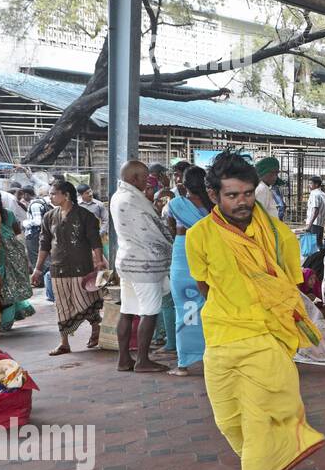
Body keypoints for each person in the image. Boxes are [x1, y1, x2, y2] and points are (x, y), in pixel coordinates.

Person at [185, 152, 325, 470]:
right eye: (232, 195)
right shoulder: (198, 238)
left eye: (247, 193)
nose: (242, 202)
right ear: (214, 195)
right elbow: (205, 288)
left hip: (266, 338)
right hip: (222, 339)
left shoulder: (278, 234)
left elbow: (288, 285)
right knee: (231, 423)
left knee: (264, 421)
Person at [110, 160, 173, 374]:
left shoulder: (120, 195)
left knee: (127, 310)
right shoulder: (131, 200)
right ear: (134, 178)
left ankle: (124, 359)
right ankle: (143, 360)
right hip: (143, 263)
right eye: (145, 178)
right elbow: (152, 231)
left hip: (127, 260)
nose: (149, 182)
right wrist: (170, 238)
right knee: (150, 310)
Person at [30, 180, 104, 353]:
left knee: (86, 301)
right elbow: (44, 244)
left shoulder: (85, 216)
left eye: (53, 193)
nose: (50, 197)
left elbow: (95, 240)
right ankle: (64, 343)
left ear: (66, 195)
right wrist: (38, 269)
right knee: (62, 305)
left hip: (81, 267)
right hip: (58, 268)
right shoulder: (49, 217)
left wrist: (99, 261)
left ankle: (96, 328)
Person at [166, 166, 212, 376]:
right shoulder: (213, 206)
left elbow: (169, 228)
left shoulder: (176, 204)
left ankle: (183, 363)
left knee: (183, 309)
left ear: (184, 184)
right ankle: (211, 355)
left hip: (182, 255)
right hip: (205, 255)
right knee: (208, 307)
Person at [0, 189, 34, 332]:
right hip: (10, 256)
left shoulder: (2, 213)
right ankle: (5, 321)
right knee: (7, 287)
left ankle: (0, 321)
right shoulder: (8, 213)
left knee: (0, 288)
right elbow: (18, 235)